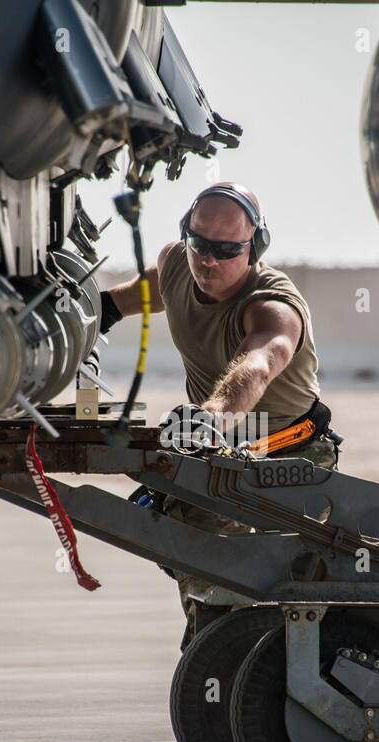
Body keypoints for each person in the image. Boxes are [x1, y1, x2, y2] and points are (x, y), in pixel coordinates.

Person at [99, 182, 337, 648]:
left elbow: (259, 363)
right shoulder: (177, 265)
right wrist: (95, 310)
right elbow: (144, 291)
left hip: (288, 449)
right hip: (220, 441)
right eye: (200, 244)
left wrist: (214, 415)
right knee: (195, 547)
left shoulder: (272, 305)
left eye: (227, 249)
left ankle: (224, 664)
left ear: (255, 247)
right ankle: (217, 655)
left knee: (254, 572)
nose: (209, 260)